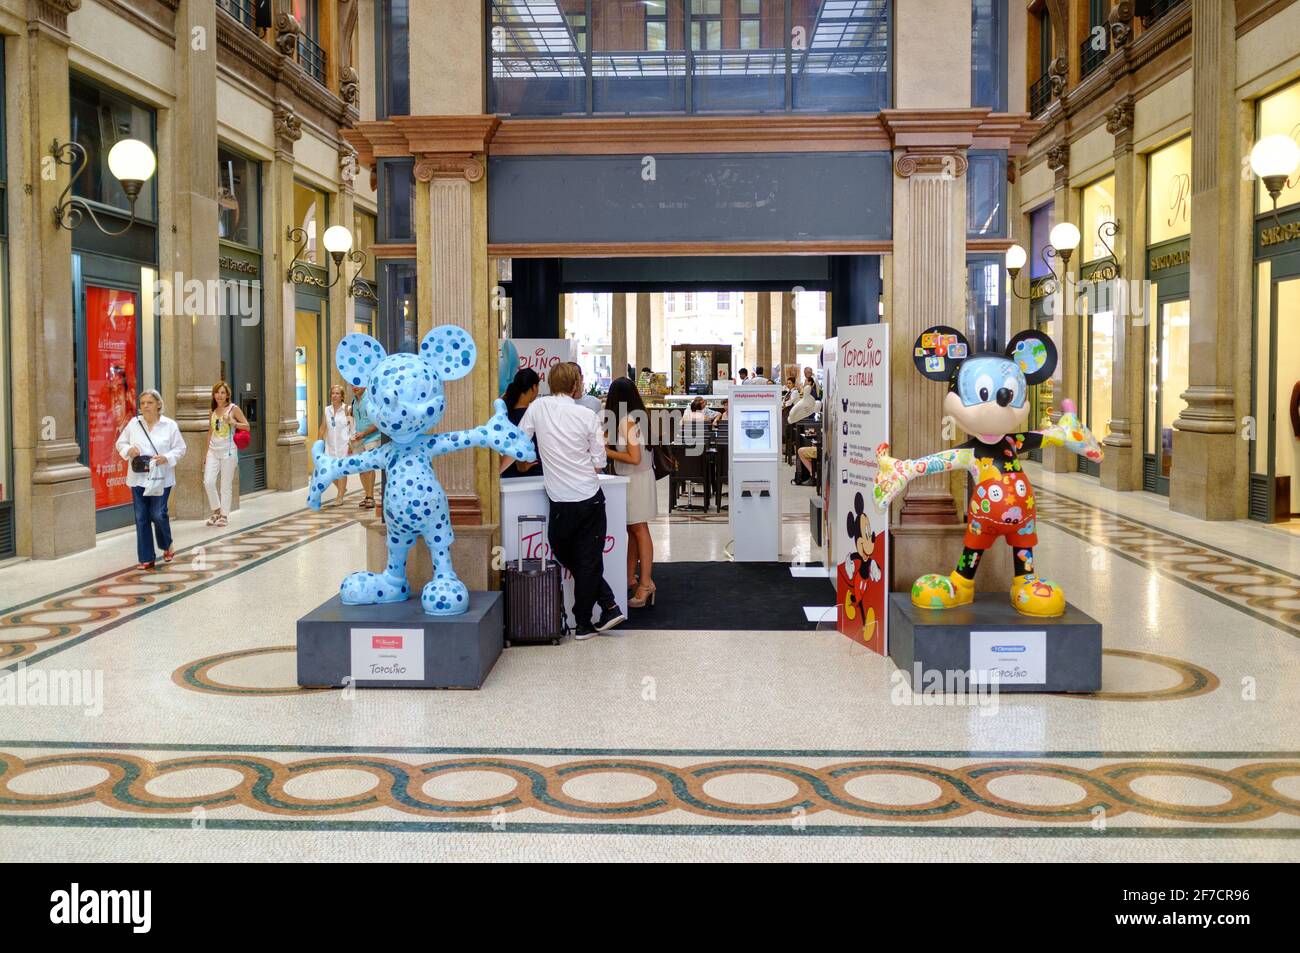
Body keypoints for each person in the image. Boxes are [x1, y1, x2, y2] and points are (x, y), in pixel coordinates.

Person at [519, 362, 625, 640]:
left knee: (566, 553)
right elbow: (599, 462)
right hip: (590, 497)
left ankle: (592, 618)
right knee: (587, 560)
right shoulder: (587, 415)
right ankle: (604, 609)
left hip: (560, 501)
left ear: (549, 383)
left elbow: (519, 442)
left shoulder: (537, 408)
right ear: (576, 385)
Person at [115, 389, 186, 570]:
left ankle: (166, 544)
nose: (146, 406)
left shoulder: (169, 425)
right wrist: (128, 450)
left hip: (162, 478)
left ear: (159, 404)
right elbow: (120, 443)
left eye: (150, 403)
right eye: (143, 403)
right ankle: (146, 557)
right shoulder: (134, 423)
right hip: (138, 479)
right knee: (141, 517)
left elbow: (180, 449)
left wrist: (167, 458)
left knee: (158, 514)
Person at [604, 377, 657, 609]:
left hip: (634, 480)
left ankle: (645, 584)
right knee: (633, 527)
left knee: (638, 528)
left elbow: (634, 458)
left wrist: (608, 452)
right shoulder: (639, 417)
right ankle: (630, 577)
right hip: (638, 479)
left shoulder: (625, 421)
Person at [203, 380, 250, 527]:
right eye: (217, 392)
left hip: (228, 451)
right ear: (213, 395)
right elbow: (210, 432)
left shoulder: (233, 409)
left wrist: (233, 423)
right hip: (213, 451)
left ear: (227, 394)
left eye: (222, 392)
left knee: (225, 485)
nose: (219, 395)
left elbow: (247, 426)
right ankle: (216, 511)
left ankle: (224, 515)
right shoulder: (212, 411)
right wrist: (205, 454)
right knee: (208, 481)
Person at [500, 368, 542, 479]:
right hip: (531, 478)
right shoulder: (532, 416)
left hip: (506, 476)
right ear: (534, 387)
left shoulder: (504, 415)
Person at [317, 383, 354, 505]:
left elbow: (352, 427)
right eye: (333, 393)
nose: (334, 395)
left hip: (344, 444)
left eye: (337, 393)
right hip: (330, 445)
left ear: (342, 396)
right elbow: (323, 428)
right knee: (330, 471)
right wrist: (319, 444)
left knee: (342, 470)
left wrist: (351, 443)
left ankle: (340, 496)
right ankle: (342, 489)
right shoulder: (327, 410)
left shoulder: (347, 409)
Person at [350, 383, 380, 509]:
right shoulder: (354, 401)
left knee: (369, 466)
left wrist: (364, 433)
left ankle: (371, 496)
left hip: (371, 437)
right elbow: (353, 418)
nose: (354, 387)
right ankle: (366, 495)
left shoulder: (370, 398)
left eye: (357, 384)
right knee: (361, 468)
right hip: (358, 439)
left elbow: (377, 422)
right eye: (352, 385)